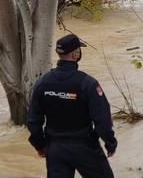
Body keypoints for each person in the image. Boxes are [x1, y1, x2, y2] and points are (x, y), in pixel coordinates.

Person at [27, 34, 117, 178]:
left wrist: (40, 145)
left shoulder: (42, 83)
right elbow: (102, 120)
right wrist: (110, 142)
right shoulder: (87, 83)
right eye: (79, 51)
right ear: (76, 54)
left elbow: (33, 121)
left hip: (55, 149)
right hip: (85, 147)